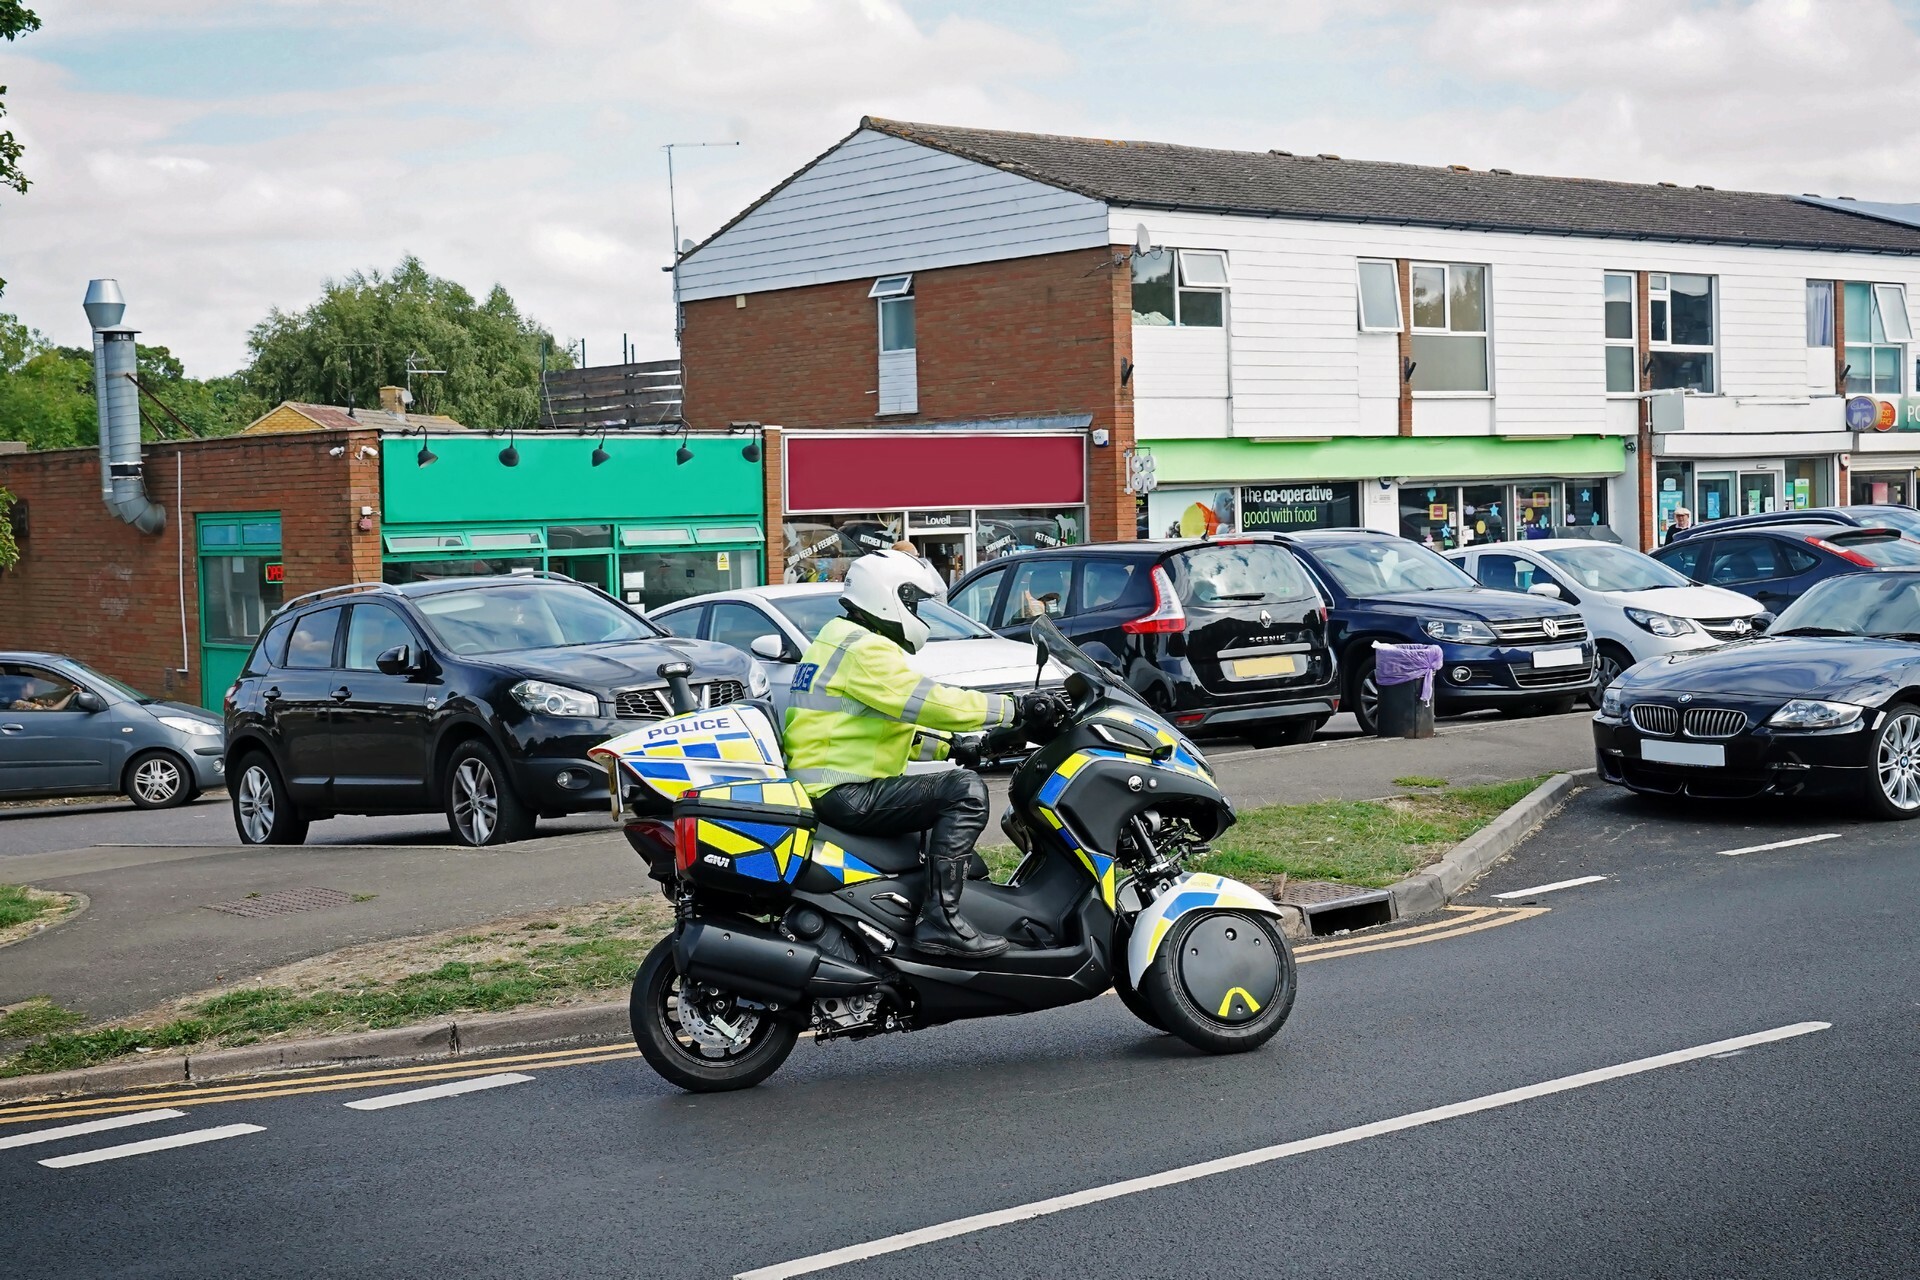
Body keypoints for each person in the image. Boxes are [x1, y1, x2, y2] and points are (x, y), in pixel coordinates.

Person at [783, 549, 1054, 959]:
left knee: (946, 792)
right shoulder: (864, 650)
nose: (916, 612)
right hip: (844, 791)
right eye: (912, 602)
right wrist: (1015, 707)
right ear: (887, 595)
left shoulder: (838, 640)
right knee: (963, 791)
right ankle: (941, 922)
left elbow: (877, 729)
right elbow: (930, 703)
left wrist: (955, 746)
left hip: (834, 784)